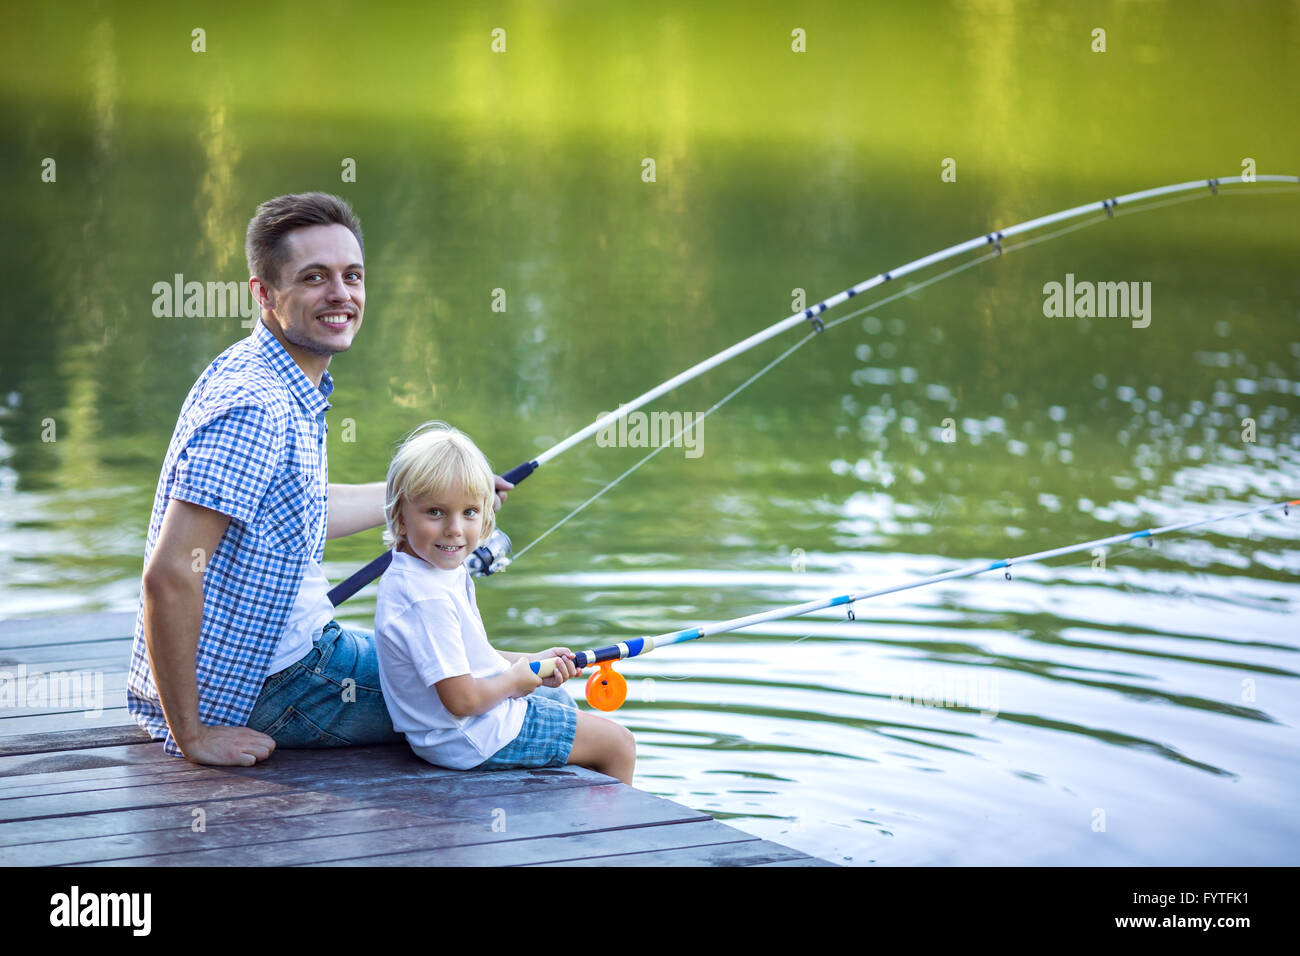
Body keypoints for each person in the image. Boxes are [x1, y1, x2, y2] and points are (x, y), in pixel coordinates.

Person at [128, 192, 512, 766]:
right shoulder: (257, 406)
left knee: (505, 666)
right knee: (535, 708)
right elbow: (170, 574)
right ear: (264, 293)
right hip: (270, 683)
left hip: (286, 659)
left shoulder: (273, 377)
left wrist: (429, 499)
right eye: (314, 277)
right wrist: (192, 735)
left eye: (351, 276)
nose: (341, 295)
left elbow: (293, 513)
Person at [375, 422, 636, 784]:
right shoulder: (426, 595)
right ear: (400, 514)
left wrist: (530, 661)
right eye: (435, 512)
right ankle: (614, 838)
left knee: (562, 706)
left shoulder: (427, 571)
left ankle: (576, 812)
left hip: (464, 729)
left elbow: (469, 657)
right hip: (470, 737)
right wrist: (517, 680)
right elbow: (462, 700)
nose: (455, 529)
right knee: (619, 744)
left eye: (469, 513)